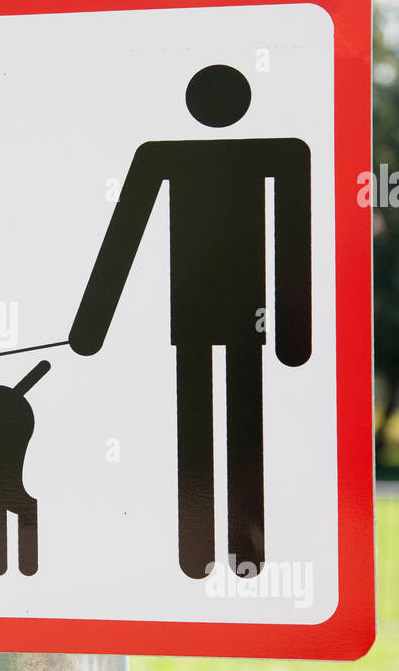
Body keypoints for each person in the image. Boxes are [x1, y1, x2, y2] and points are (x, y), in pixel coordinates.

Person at [69, 64, 312, 578]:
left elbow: (294, 235)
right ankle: (214, 552)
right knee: (223, 432)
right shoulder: (244, 153)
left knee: (221, 433)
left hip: (224, 316)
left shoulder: (263, 153)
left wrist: (90, 326)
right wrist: (293, 331)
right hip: (223, 317)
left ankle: (227, 551)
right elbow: (125, 234)